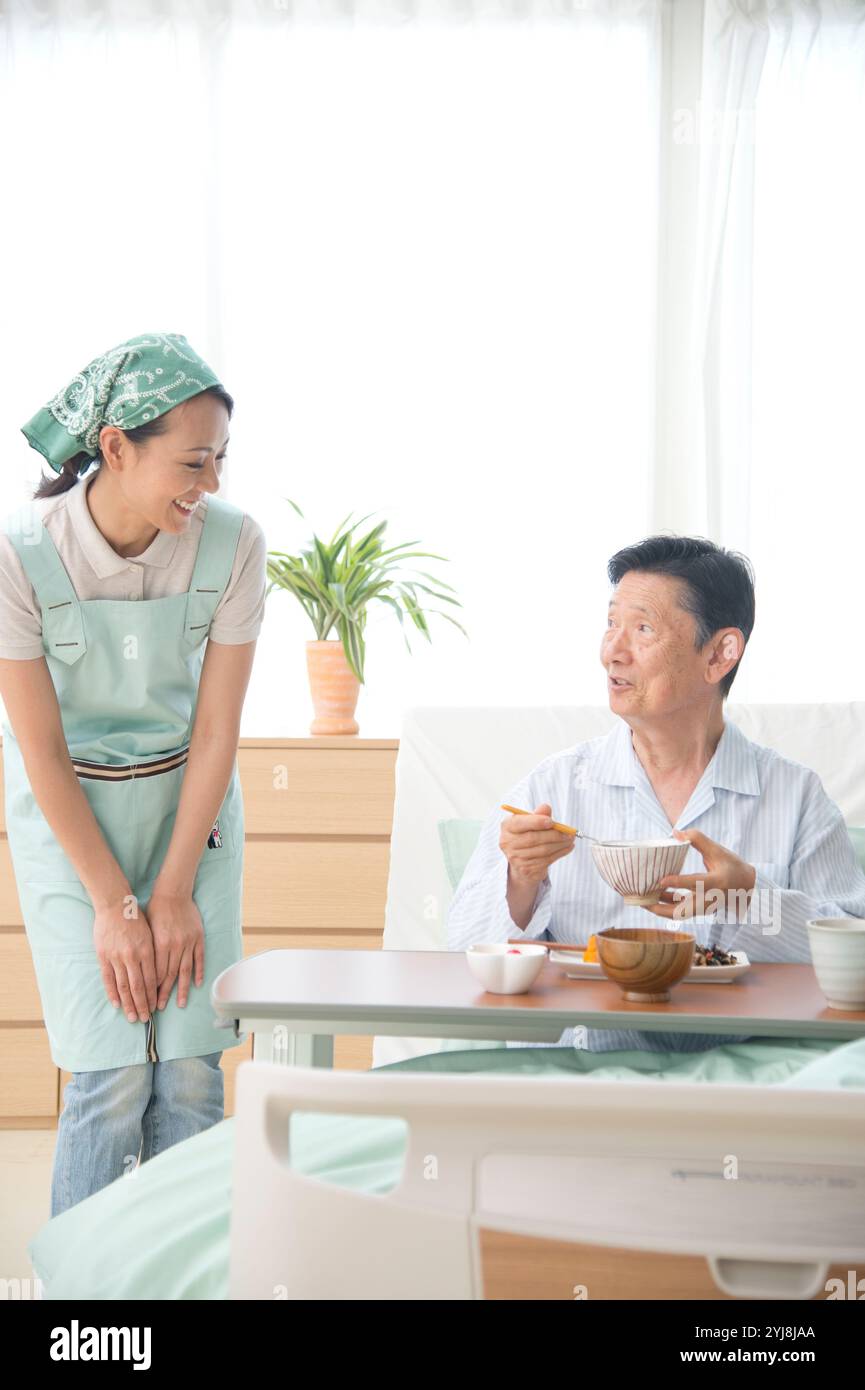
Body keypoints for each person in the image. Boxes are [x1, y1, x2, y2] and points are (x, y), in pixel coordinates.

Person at [0, 332, 268, 1215]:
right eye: (194, 461)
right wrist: (116, 906)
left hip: (193, 820)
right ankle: (82, 1312)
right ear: (115, 447)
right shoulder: (20, 555)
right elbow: (39, 750)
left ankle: (184, 1286)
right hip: (74, 830)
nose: (213, 484)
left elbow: (218, 727)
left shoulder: (232, 545)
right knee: (109, 1079)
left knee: (190, 1072)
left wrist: (176, 889)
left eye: (221, 459)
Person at [447, 534, 865, 1053]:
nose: (610, 653)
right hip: (579, 1079)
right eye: (610, 625)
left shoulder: (794, 796)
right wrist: (521, 880)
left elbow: (856, 955)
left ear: (719, 654)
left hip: (741, 1082)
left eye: (642, 629)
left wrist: (748, 899)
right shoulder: (550, 789)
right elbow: (459, 955)